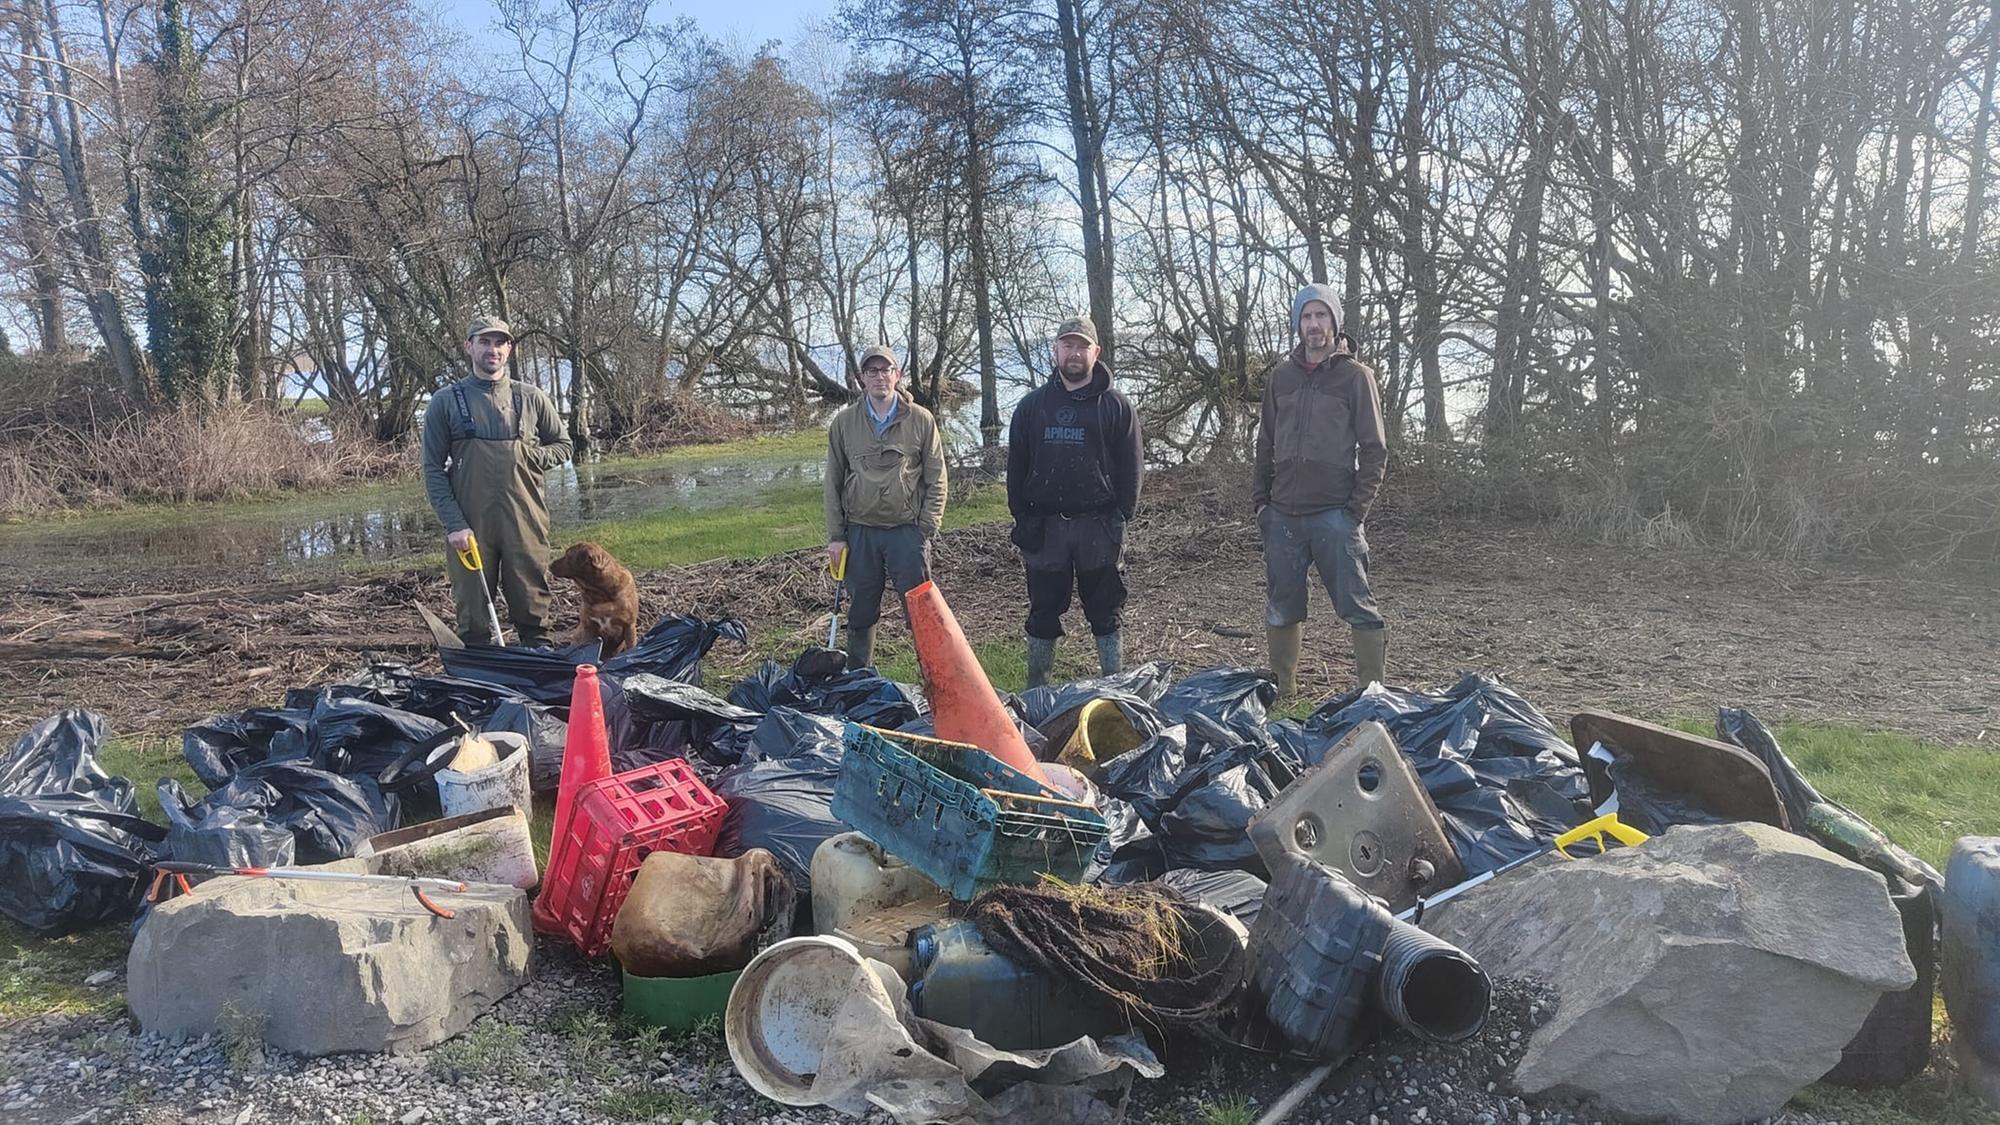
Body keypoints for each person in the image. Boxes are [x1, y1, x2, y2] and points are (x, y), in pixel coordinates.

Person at [1252, 283, 1389, 697]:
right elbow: (1265, 443)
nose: (1314, 324)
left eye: (1321, 315)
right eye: (1306, 317)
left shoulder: (1356, 378)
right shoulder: (1281, 377)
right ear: (1298, 324)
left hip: (1335, 515)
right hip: (1283, 515)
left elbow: (1375, 450)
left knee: (1358, 606)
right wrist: (1262, 505)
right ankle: (1285, 692)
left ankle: (1372, 695)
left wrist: (1354, 512)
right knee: (1282, 606)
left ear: (1335, 322)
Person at [1006, 315, 1144, 689]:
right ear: (1055, 351)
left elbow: (1132, 469)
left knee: (1105, 611)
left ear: (1096, 352)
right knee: (1043, 611)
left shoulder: (1116, 406)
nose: (1075, 353)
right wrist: (1022, 516)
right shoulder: (1032, 407)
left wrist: (1120, 517)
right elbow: (1016, 466)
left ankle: (1115, 688)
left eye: (1083, 346)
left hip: (1098, 526)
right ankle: (1037, 691)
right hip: (1046, 528)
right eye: (1068, 345)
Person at [421, 316, 573, 646]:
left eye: (500, 342)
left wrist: (531, 456)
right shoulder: (445, 401)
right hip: (470, 524)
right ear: (469, 346)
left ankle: (537, 662)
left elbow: (564, 445)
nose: (493, 349)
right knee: (473, 610)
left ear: (509, 349)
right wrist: (454, 524)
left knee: (532, 603)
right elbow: (432, 469)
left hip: (525, 518)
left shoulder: (531, 397)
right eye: (485, 342)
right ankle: (479, 668)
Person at [824, 344, 948, 670]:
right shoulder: (844, 423)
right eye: (872, 371)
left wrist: (926, 527)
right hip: (860, 532)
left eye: (885, 370)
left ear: (898, 375)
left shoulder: (921, 420)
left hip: (907, 532)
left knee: (921, 611)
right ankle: (858, 681)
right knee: (861, 612)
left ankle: (937, 680)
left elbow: (937, 477)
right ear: (862, 378)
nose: (879, 377)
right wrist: (837, 536)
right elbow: (832, 481)